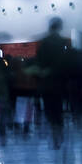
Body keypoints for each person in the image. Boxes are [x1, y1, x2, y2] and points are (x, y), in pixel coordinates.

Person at [33, 17, 72, 150]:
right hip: (60, 83)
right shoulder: (62, 42)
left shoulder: (44, 42)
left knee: (50, 110)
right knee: (58, 110)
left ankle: (55, 134)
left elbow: (39, 63)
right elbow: (66, 64)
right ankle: (59, 134)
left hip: (47, 83)